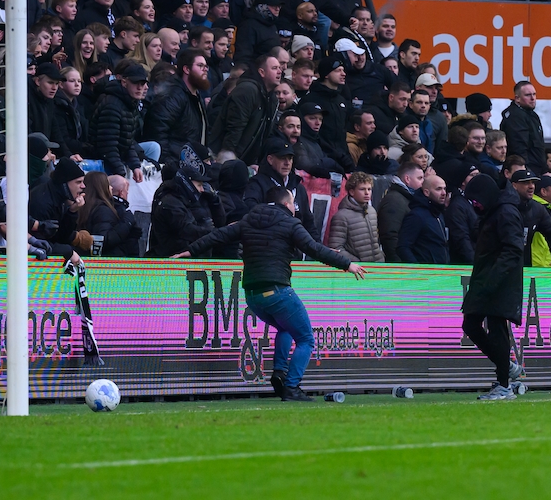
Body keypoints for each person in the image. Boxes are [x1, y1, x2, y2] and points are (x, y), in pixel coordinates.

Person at [176, 187, 365, 401]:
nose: (295, 208)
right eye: (293, 203)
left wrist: (190, 250)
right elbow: (313, 248)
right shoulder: (291, 223)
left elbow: (219, 235)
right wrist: (347, 264)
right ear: (286, 204)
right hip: (277, 291)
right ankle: (292, 387)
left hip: (253, 295)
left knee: (285, 328)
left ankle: (279, 373)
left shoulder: (248, 220)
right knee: (306, 339)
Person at [459, 174, 532, 400]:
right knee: (471, 324)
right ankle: (506, 367)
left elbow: (513, 249)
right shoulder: (495, 211)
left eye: (476, 200)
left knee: (496, 328)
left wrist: (493, 279)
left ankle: (503, 384)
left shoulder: (506, 212)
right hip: (487, 277)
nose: (475, 205)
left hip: (499, 280)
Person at [144, 48, 209, 163]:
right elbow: (157, 130)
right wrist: (169, 163)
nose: (205, 69)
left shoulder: (195, 96)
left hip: (189, 163)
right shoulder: (173, 95)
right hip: (174, 164)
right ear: (186, 69)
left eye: (206, 66)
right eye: (200, 65)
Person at [148, 163, 227, 258]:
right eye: (199, 185)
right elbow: (187, 230)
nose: (202, 189)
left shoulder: (182, 200)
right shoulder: (171, 204)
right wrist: (213, 232)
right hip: (172, 258)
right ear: (187, 183)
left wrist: (215, 201)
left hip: (181, 256)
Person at [327, 171, 384, 262]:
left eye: (369, 189)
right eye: (362, 189)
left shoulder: (371, 211)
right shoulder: (341, 216)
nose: (367, 193)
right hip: (357, 268)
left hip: (377, 265)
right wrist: (356, 262)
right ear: (352, 192)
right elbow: (336, 248)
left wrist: (381, 257)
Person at [378, 161, 424, 261]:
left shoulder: (407, 197)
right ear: (407, 179)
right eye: (420, 178)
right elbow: (390, 235)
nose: (423, 183)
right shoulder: (394, 200)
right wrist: (398, 263)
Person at [501, 81, 545, 175]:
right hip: (527, 171)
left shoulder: (532, 115)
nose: (532, 98)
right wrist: (526, 173)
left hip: (536, 169)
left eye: (534, 94)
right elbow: (519, 148)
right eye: (528, 95)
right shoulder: (515, 116)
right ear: (517, 98)